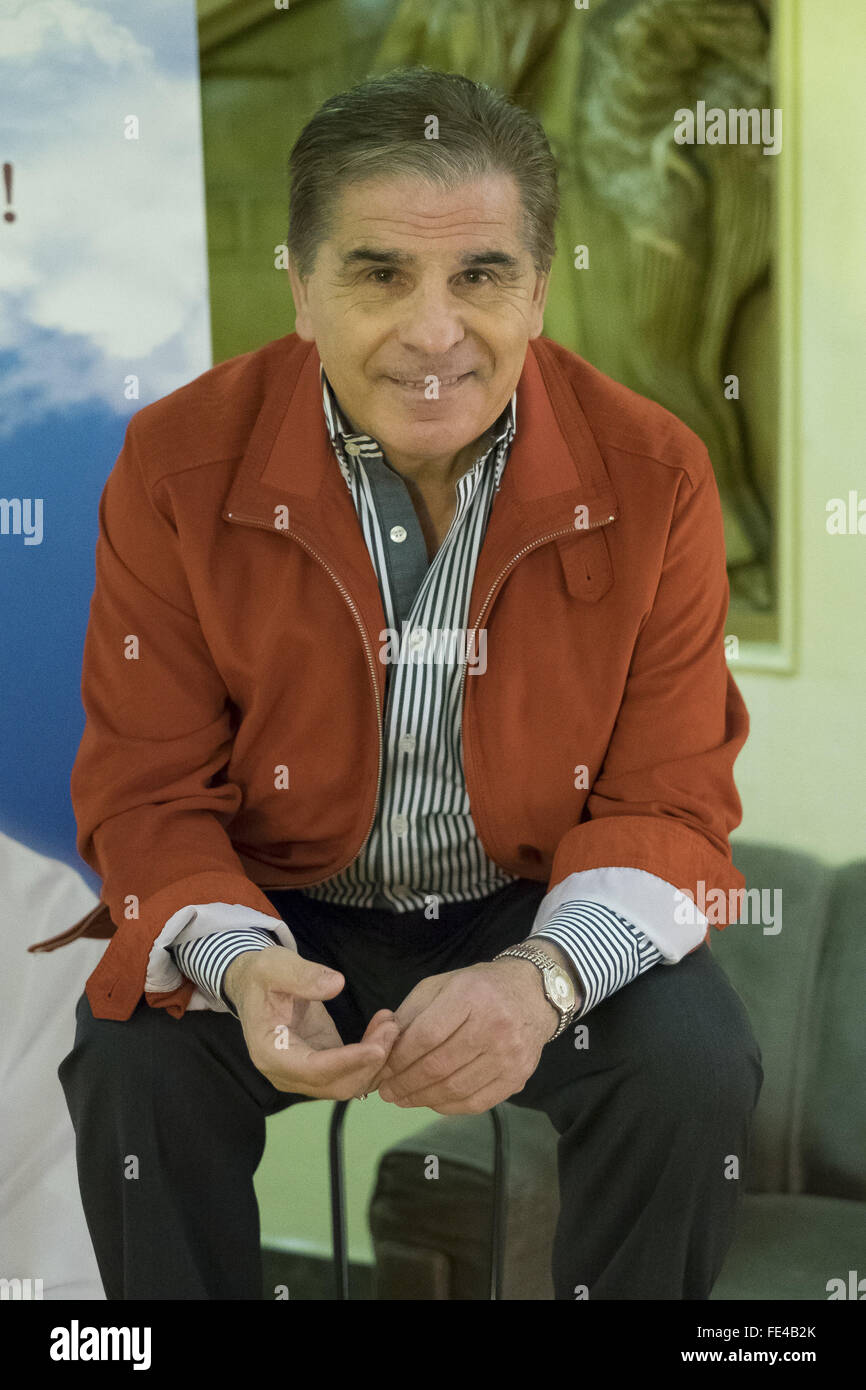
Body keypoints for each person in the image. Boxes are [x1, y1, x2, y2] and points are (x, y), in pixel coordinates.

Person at [47, 67, 763, 1301]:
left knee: (692, 1067)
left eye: (479, 275)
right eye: (379, 273)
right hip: (278, 898)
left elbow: (672, 802)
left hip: (525, 893)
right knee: (127, 1064)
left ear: (537, 291)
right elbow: (146, 788)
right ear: (300, 284)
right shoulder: (172, 462)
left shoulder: (657, 476)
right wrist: (239, 961)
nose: (435, 332)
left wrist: (539, 980)